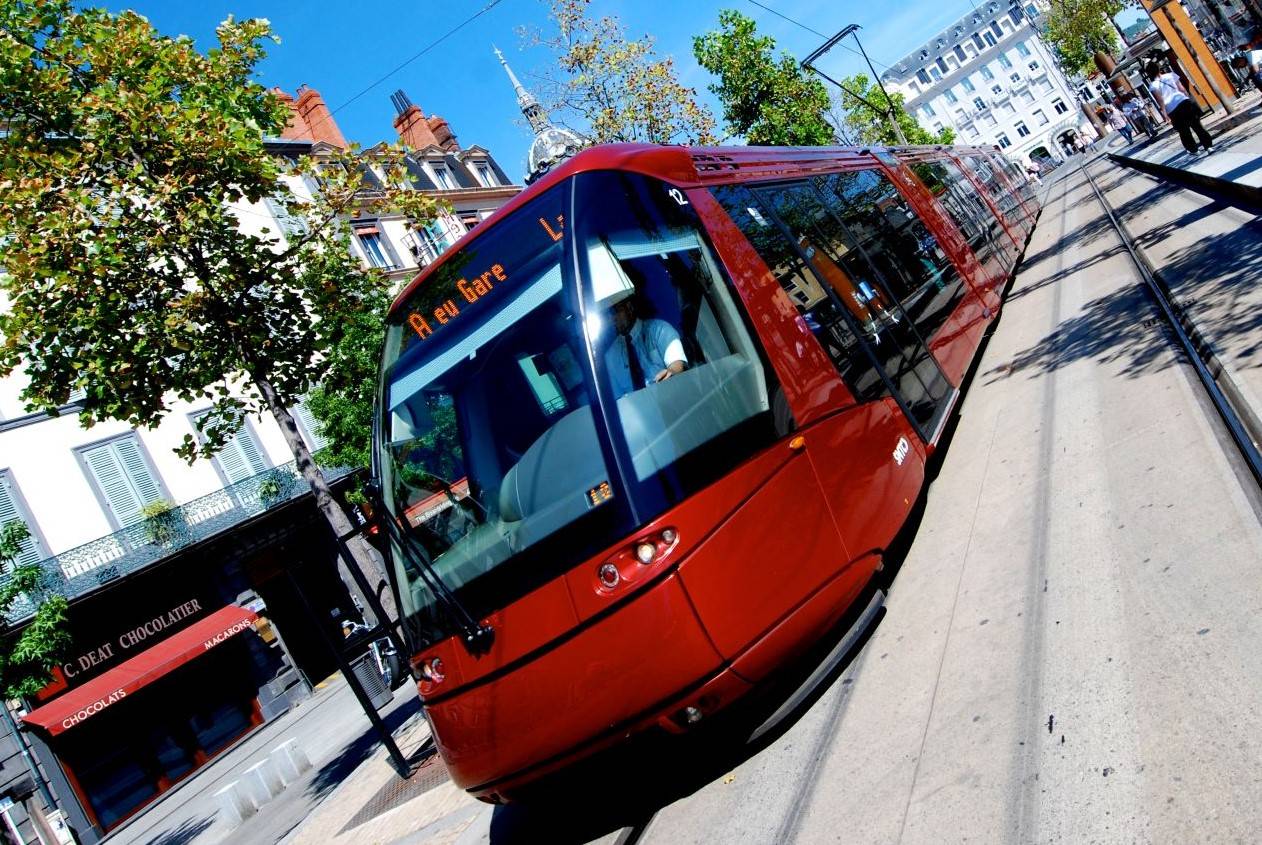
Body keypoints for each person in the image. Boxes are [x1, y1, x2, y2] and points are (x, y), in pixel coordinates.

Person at [603, 295, 687, 398]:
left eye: (615, 311)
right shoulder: (610, 357)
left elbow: (677, 365)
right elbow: (617, 399)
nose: (612, 319)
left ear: (629, 307)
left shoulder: (659, 330)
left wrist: (671, 374)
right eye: (607, 314)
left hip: (673, 400)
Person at [1145, 59, 1213, 155]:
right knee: (1197, 125)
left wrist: (1165, 114)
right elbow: (1182, 89)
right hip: (1183, 101)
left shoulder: (1153, 85)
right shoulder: (1171, 75)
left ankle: (1194, 150)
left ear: (1149, 74)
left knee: (1184, 131)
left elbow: (1160, 100)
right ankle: (1208, 146)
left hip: (1172, 109)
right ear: (1159, 68)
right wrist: (1187, 98)